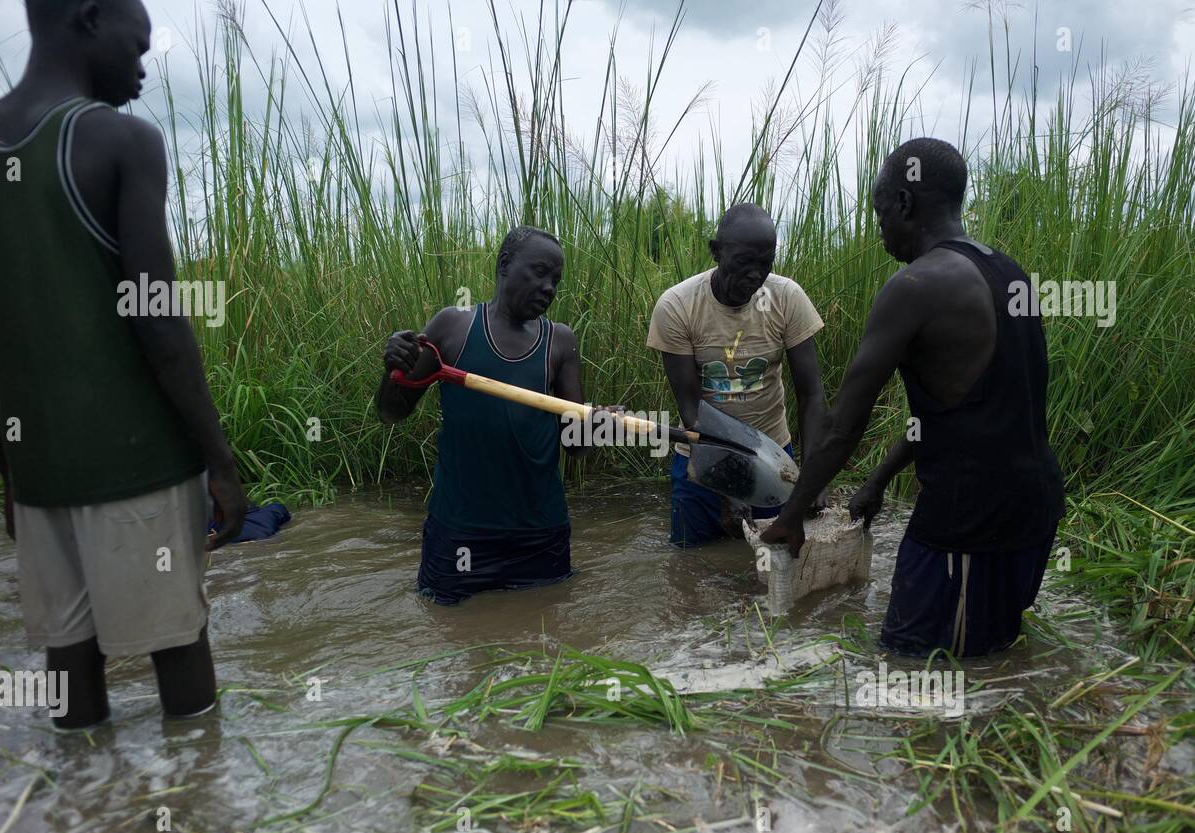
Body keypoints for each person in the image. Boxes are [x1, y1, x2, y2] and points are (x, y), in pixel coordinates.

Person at [0, 0, 247, 728]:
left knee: (71, 677)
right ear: (90, 19)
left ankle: (91, 816)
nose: (144, 67)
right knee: (182, 668)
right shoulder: (123, 141)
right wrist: (219, 458)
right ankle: (198, 824)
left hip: (41, 477)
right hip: (138, 467)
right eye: (140, 44)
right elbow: (156, 318)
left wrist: (11, 471)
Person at [761, 138, 1065, 657]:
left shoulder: (915, 286)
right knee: (991, 665)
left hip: (966, 524)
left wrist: (790, 516)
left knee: (910, 671)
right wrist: (879, 480)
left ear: (904, 203)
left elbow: (840, 428)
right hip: (1035, 511)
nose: (879, 227)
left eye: (880, 211)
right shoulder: (1010, 274)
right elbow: (967, 409)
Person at [376, 226, 609, 604]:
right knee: (451, 634)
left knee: (546, 639)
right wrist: (393, 370)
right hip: (460, 533)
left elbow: (577, 447)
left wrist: (600, 429)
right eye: (539, 272)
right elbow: (392, 411)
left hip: (539, 534)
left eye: (556, 280)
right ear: (504, 265)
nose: (549, 287)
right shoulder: (453, 326)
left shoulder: (560, 341)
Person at [646, 202, 827, 547]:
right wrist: (729, 484)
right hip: (702, 459)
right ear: (716, 251)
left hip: (772, 459)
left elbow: (812, 394)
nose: (754, 276)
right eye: (743, 262)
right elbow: (691, 408)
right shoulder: (678, 306)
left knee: (769, 567)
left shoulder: (786, 298)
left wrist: (812, 480)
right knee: (692, 572)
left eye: (765, 263)